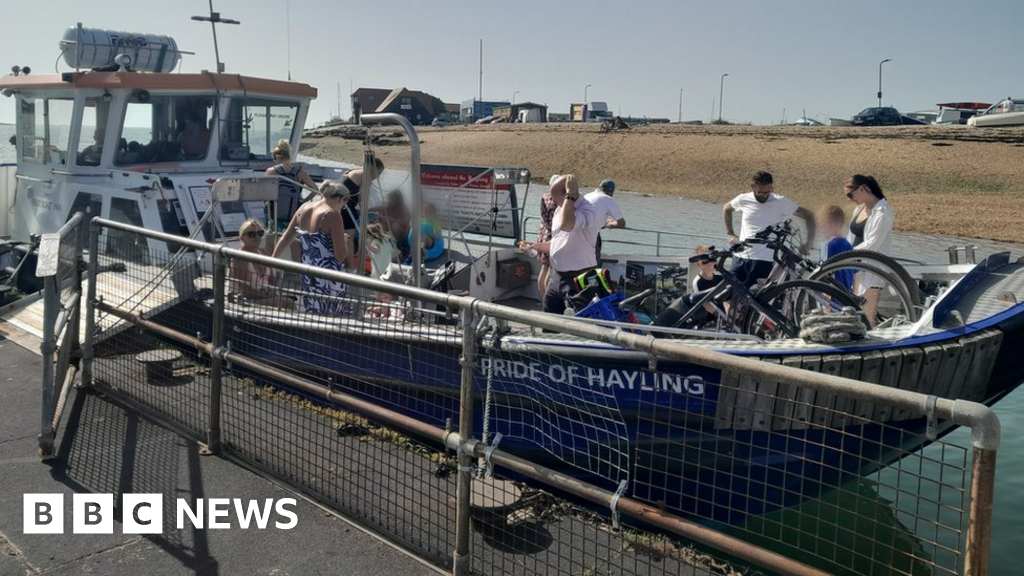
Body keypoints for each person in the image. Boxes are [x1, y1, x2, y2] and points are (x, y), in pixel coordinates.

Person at [272, 181, 354, 316]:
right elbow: (340, 255)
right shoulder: (333, 214)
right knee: (334, 317)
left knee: (312, 310)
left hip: (308, 271)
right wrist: (345, 242)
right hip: (329, 275)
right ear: (341, 199)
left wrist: (272, 260)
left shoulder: (304, 208)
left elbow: (286, 238)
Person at [723, 171, 815, 286]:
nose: (765, 195)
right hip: (740, 257)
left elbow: (809, 216)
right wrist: (730, 234)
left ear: (771, 187)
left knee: (757, 300)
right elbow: (727, 209)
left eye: (768, 191)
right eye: (760, 192)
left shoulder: (780, 201)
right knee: (729, 295)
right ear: (753, 187)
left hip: (765, 260)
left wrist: (809, 242)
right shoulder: (743, 199)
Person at [543, 174, 605, 315]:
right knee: (549, 319)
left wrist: (569, 196)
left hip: (579, 278)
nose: (554, 202)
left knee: (579, 322)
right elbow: (560, 240)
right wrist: (535, 246)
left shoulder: (588, 210)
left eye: (556, 197)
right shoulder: (560, 209)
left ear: (568, 195)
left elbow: (567, 225)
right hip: (557, 276)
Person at [845, 174, 894, 326]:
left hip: (873, 267)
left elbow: (873, 243)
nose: (850, 199)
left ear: (862, 188)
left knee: (867, 313)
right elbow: (851, 236)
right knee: (853, 310)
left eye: (850, 195)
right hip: (855, 265)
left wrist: (845, 255)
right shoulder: (859, 209)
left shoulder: (883, 212)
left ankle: (870, 344)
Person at [655, 245, 724, 329]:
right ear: (700, 264)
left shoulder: (720, 279)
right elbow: (704, 304)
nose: (714, 263)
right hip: (710, 317)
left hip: (722, 314)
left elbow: (726, 299)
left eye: (715, 260)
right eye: (710, 261)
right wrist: (720, 315)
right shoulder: (698, 282)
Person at [229, 219, 292, 309]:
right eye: (251, 234)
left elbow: (271, 280)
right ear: (242, 238)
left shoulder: (263, 252)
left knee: (287, 301)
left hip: (265, 297)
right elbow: (246, 291)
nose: (257, 237)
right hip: (246, 300)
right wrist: (269, 297)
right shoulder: (239, 258)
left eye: (260, 233)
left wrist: (272, 292)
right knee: (288, 303)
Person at [266, 139, 317, 232]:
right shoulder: (300, 173)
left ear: (276, 158)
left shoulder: (271, 171)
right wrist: (303, 202)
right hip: (294, 215)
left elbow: (264, 191)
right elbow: (315, 190)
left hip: (275, 215)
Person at [339, 158, 386, 255]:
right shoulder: (366, 176)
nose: (378, 177)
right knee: (349, 237)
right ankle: (351, 263)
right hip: (346, 208)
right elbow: (362, 200)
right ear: (373, 169)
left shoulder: (355, 171)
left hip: (339, 204)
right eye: (379, 173)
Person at [583, 179, 626, 261]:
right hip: (592, 236)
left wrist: (603, 221)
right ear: (611, 191)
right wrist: (610, 224)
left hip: (577, 234)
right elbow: (621, 223)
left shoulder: (587, 195)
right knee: (592, 264)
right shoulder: (608, 199)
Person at [816, 205, 854, 291]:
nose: (820, 230)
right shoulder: (849, 246)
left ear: (827, 224)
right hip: (847, 297)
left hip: (831, 298)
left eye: (821, 225)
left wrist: (825, 303)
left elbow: (825, 276)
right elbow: (856, 275)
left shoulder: (827, 245)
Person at [370, 190, 411, 257]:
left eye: (392, 199)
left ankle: (403, 246)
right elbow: (378, 208)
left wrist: (390, 219)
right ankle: (379, 245)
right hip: (390, 231)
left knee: (395, 225)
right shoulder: (388, 206)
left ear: (397, 199)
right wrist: (366, 210)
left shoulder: (404, 208)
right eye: (389, 199)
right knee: (379, 225)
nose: (389, 200)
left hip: (403, 232)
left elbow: (404, 222)